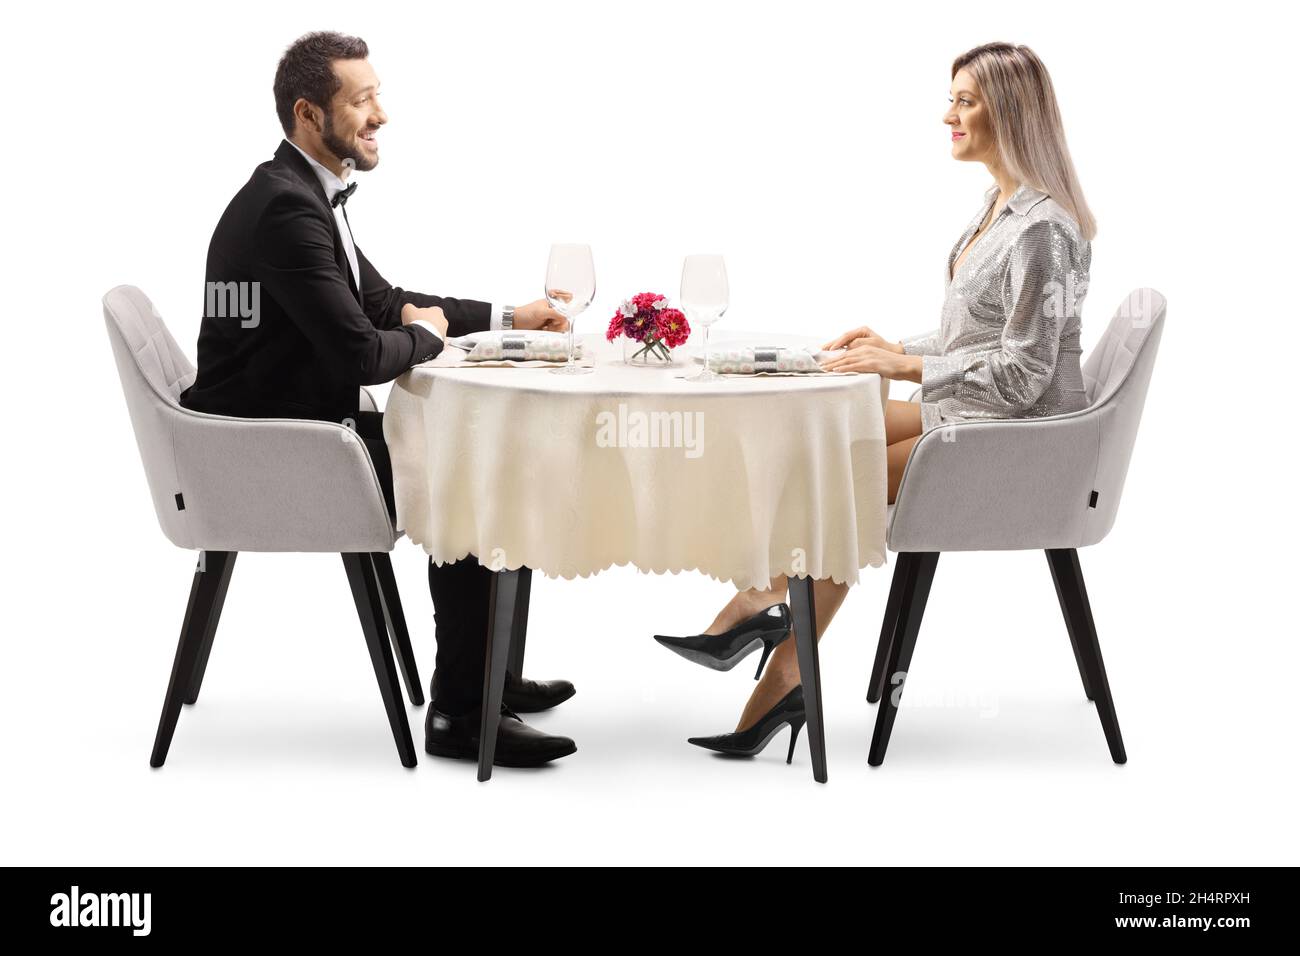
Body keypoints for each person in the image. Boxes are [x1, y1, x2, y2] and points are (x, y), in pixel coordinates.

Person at [656, 41, 1096, 759]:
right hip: (977, 413)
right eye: (951, 97)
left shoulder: (1044, 227)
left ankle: (761, 622)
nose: (946, 114)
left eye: (965, 100)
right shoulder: (1001, 205)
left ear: (1010, 113)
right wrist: (900, 346)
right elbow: (977, 334)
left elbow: (1023, 376)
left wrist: (906, 364)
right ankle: (773, 647)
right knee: (826, 448)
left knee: (840, 476)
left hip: (1014, 438)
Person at [181, 31, 578, 767]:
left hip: (291, 427)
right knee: (473, 470)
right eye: (361, 100)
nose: (380, 115)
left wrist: (506, 319)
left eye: (377, 96)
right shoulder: (286, 212)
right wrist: (427, 340)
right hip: (272, 452)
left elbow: (382, 302)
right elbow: (363, 352)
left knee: (491, 453)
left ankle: (485, 677)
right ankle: (462, 714)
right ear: (309, 114)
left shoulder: (302, 194)